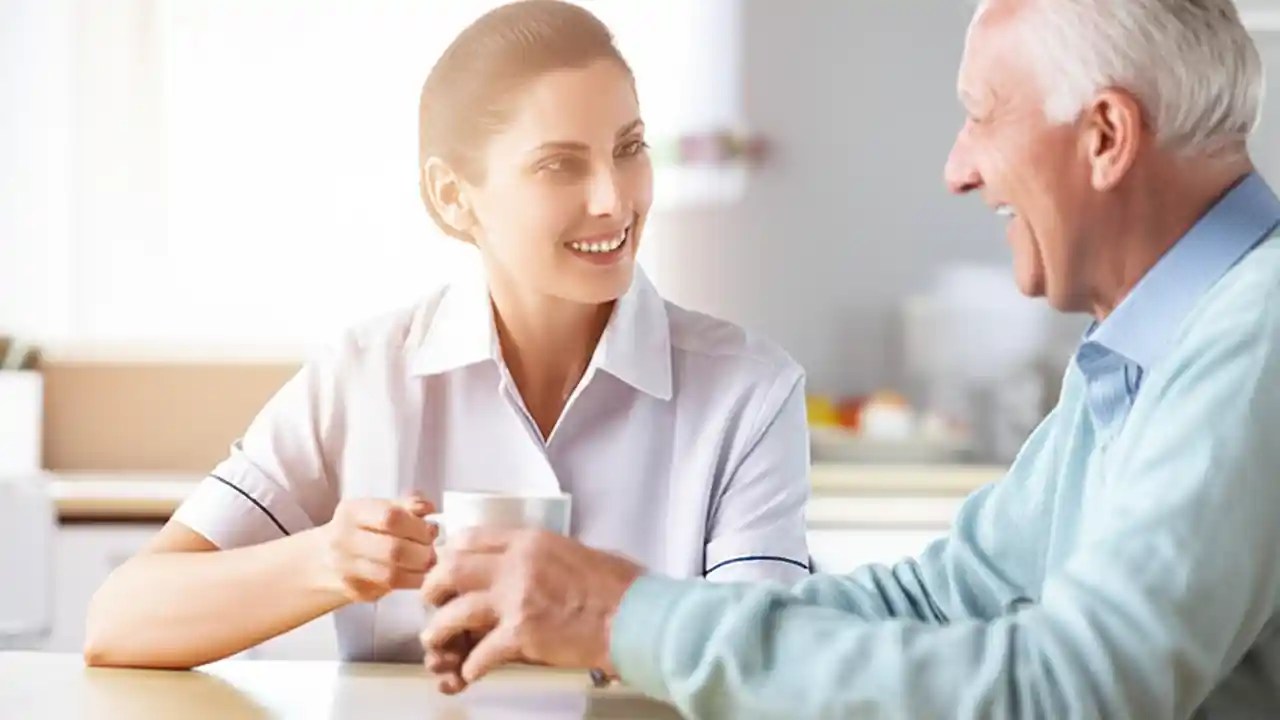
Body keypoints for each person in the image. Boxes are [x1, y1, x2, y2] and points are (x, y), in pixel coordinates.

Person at [419, 0, 1280, 716]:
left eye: (982, 115)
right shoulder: (1145, 349)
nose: (958, 168)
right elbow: (941, 600)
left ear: (1105, 136)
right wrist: (623, 618)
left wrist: (624, 616)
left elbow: (1068, 691)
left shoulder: (1256, 333)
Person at [83, 0, 812, 670]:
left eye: (629, 148)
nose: (613, 199)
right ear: (452, 196)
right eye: (559, 164)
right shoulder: (363, 376)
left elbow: (766, 664)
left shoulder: (749, 392)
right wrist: (326, 561)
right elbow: (121, 622)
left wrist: (600, 618)